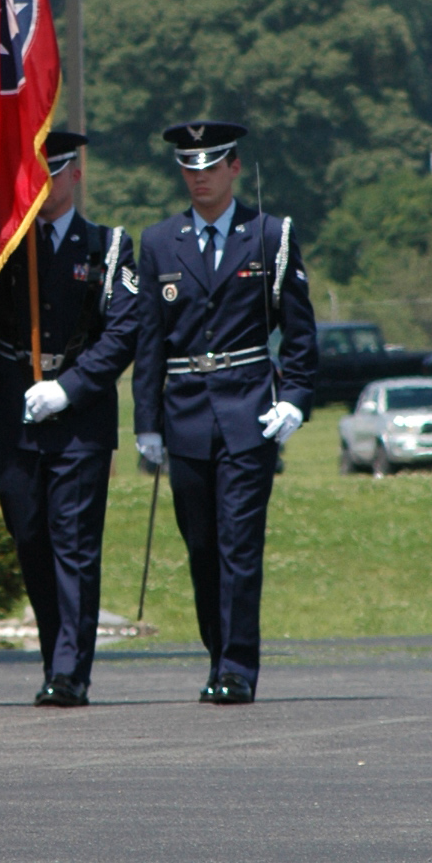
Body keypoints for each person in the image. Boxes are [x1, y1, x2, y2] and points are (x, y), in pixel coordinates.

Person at [132, 119, 317, 704]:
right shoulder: (160, 242)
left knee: (239, 544)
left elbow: (300, 332)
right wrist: (146, 423)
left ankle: (237, 668)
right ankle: (217, 656)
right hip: (185, 412)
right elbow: (149, 340)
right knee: (203, 548)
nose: (200, 178)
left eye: (211, 166)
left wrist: (295, 399)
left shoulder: (268, 235)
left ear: (234, 168)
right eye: (189, 167)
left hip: (246, 411)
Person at [0, 131, 139, 706]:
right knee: (30, 537)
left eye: (56, 169)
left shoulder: (107, 247)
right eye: (35, 169)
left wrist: (69, 388)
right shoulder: (6, 244)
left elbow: (123, 331)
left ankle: (70, 671)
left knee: (74, 543)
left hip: (79, 416)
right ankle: (54, 656)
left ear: (76, 175)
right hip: (17, 409)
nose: (44, 181)